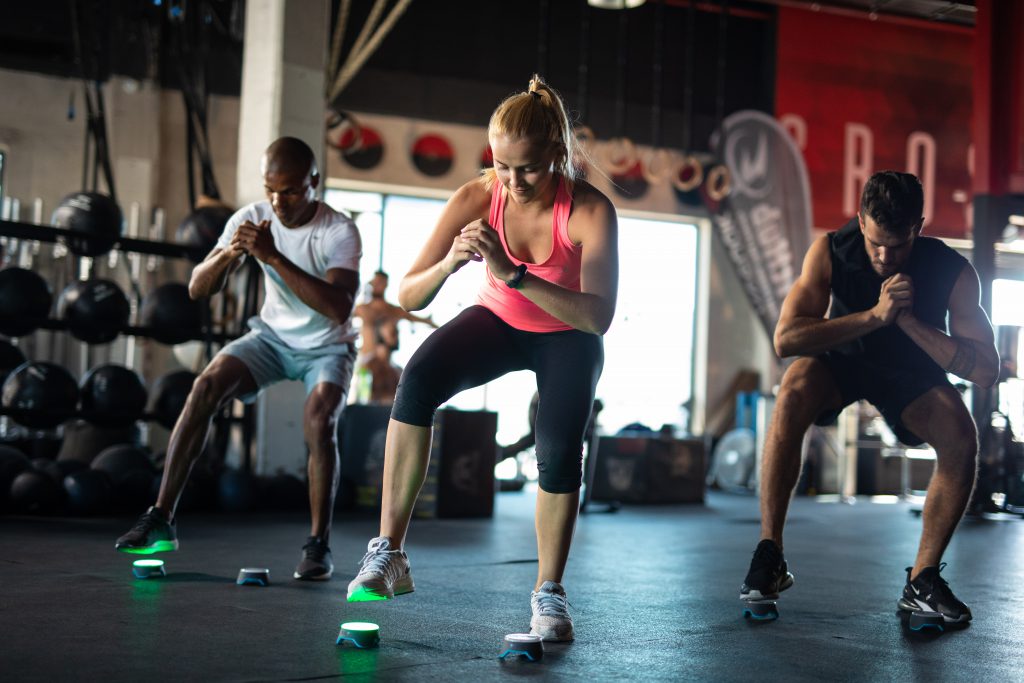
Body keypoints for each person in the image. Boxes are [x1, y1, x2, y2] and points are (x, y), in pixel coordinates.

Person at [345, 75, 618, 643]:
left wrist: (514, 273)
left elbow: (596, 317)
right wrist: (451, 264)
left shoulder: (590, 210)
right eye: (501, 165)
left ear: (556, 155)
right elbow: (409, 294)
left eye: (528, 168)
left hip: (567, 333)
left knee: (560, 447)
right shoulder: (478, 195)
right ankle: (390, 551)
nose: (513, 181)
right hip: (497, 320)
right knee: (417, 380)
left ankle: (549, 592)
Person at [741, 171, 998, 624]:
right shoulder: (830, 249)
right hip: (841, 363)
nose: (884, 255)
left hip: (910, 372)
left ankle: (922, 581)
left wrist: (908, 322)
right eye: (876, 242)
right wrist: (875, 317)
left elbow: (985, 370)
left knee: (962, 435)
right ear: (860, 220)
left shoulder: (951, 270)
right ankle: (770, 552)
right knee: (793, 389)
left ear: (918, 227)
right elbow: (786, 339)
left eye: (897, 245)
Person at [115, 137, 362, 581]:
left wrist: (271, 256)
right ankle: (161, 518)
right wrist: (230, 253)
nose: (277, 201)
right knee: (205, 385)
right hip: (270, 337)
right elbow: (197, 288)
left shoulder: (338, 231)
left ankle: (318, 544)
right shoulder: (252, 217)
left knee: (319, 419)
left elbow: (339, 306)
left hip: (327, 344)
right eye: (270, 189)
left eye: (289, 190)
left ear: (314, 183)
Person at [353, 270, 437, 403]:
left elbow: (419, 319)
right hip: (366, 361)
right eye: (375, 282)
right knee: (365, 400)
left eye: (380, 282)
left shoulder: (394, 311)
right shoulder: (362, 309)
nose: (377, 285)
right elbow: (339, 315)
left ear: (386, 284)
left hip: (387, 362)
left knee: (392, 396)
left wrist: (433, 324)